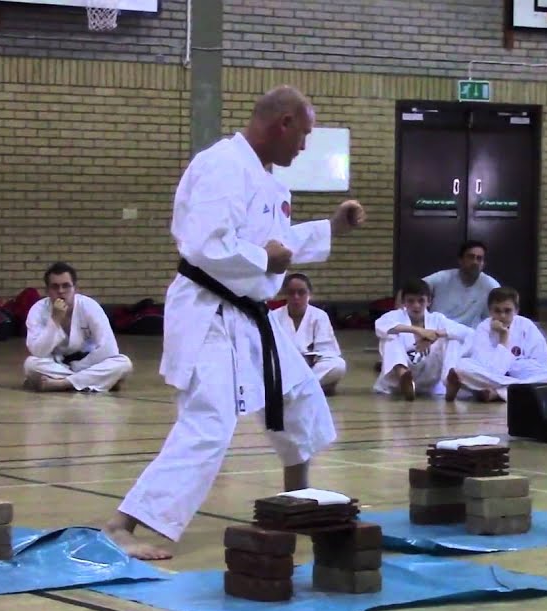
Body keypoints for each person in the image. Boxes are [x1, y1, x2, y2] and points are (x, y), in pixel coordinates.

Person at [102, 86, 366, 560]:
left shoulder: (267, 178)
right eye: (303, 135)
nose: (303, 147)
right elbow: (204, 244)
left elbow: (278, 246)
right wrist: (261, 257)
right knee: (210, 423)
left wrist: (330, 228)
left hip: (248, 316)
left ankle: (296, 502)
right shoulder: (223, 165)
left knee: (300, 396)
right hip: (210, 311)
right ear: (283, 122)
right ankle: (122, 525)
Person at [23, 262, 133, 393]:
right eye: (55, 287)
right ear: (47, 290)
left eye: (66, 286)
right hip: (57, 364)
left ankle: (61, 384)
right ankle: (101, 381)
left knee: (123, 363)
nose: (61, 291)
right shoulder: (38, 310)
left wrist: (78, 367)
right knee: (31, 365)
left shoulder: (89, 306)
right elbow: (38, 352)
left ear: (75, 288)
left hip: (87, 361)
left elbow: (109, 349)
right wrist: (55, 321)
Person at [446, 286, 547, 402]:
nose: (502, 316)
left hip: (522, 375)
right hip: (492, 375)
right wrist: (503, 339)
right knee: (463, 365)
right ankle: (514, 390)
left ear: (516, 311)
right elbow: (493, 370)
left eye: (507, 311)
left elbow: (542, 363)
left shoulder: (527, 326)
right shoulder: (483, 328)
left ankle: (500, 392)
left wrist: (515, 367)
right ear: (490, 311)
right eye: (497, 311)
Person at [373, 278, 471, 401]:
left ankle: (449, 380)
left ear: (429, 301)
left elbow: (468, 332)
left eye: (421, 301)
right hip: (396, 383)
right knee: (391, 336)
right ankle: (403, 376)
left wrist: (436, 334)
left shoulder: (437, 319)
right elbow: (380, 326)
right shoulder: (395, 316)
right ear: (403, 302)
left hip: (429, 382)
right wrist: (418, 330)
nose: (416, 305)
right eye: (411, 301)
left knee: (452, 338)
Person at [270, 272, 346, 395]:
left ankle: (296, 388)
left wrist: (309, 358)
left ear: (309, 294)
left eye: (301, 292)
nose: (296, 297)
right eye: (291, 292)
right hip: (284, 366)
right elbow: (268, 349)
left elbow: (328, 350)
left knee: (338, 365)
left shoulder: (319, 316)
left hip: (311, 367)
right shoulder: (274, 317)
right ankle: (312, 387)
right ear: (285, 294)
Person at [421, 241, 501, 328]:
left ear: (483, 263)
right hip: (437, 331)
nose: (475, 262)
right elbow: (413, 289)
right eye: (471, 257)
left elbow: (501, 312)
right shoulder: (443, 277)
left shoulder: (491, 285)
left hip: (469, 335)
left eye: (479, 258)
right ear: (460, 260)